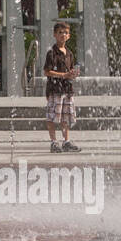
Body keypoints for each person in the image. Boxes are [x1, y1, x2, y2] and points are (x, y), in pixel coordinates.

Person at [42, 22, 81, 153]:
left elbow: (70, 70)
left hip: (67, 89)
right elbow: (47, 71)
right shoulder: (51, 53)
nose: (63, 35)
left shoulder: (69, 53)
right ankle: (53, 142)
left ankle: (66, 141)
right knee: (53, 115)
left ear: (69, 36)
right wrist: (63, 75)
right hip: (55, 89)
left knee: (65, 116)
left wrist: (72, 74)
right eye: (60, 32)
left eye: (65, 33)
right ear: (55, 35)